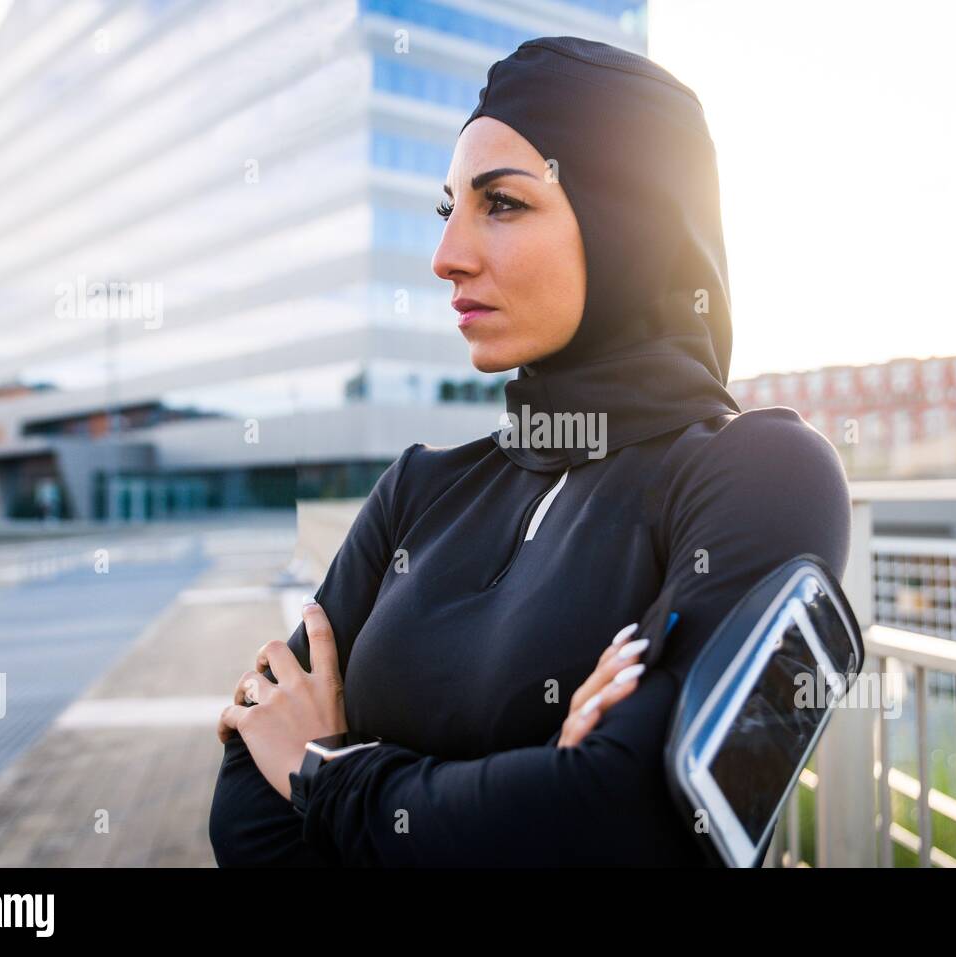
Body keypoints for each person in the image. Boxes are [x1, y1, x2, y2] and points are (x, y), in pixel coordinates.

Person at [208, 35, 852, 867]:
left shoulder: (759, 475)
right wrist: (537, 780)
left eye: (502, 204)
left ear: (634, 224)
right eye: (450, 210)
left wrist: (327, 767)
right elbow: (247, 820)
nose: (447, 258)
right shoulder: (418, 489)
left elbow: (631, 819)